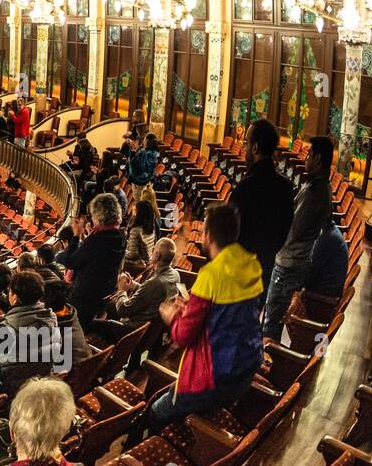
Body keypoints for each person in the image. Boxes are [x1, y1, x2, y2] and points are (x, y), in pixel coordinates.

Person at [143, 204, 263, 436]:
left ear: (208, 235)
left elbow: (182, 336)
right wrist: (192, 309)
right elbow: (228, 314)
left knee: (157, 412)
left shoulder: (211, 275)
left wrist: (173, 316)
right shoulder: (251, 263)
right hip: (246, 365)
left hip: (216, 376)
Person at [262, 136, 335, 341]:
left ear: (318, 159)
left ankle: (264, 365)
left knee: (271, 320)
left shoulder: (316, 193)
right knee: (272, 315)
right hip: (294, 261)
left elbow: (293, 231)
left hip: (289, 264)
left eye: (309, 154)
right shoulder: (317, 187)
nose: (306, 158)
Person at [228, 118, 295, 290]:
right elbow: (284, 231)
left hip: (238, 274)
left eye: (246, 144)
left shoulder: (245, 187)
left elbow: (229, 234)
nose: (244, 149)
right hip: (265, 271)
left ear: (255, 147)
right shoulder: (286, 187)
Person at [57, 192, 126, 328]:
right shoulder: (120, 235)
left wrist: (76, 235)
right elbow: (98, 258)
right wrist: (90, 235)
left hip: (85, 299)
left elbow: (70, 261)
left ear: (99, 217)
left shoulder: (96, 240)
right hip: (104, 294)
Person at [95, 237, 180, 345]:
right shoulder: (175, 274)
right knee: (108, 305)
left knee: (91, 323)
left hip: (130, 331)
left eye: (154, 249)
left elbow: (123, 310)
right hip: (149, 327)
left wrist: (122, 290)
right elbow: (151, 293)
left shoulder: (155, 282)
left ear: (157, 255)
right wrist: (133, 285)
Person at [0, 270, 64, 397]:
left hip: (15, 391)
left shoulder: (4, 329)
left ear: (14, 296)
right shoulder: (51, 317)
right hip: (43, 382)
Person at [123, 199, 158, 277]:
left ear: (140, 213)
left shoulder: (136, 230)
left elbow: (133, 254)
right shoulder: (151, 227)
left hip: (137, 265)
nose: (133, 211)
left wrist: (121, 251)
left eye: (135, 210)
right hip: (147, 262)